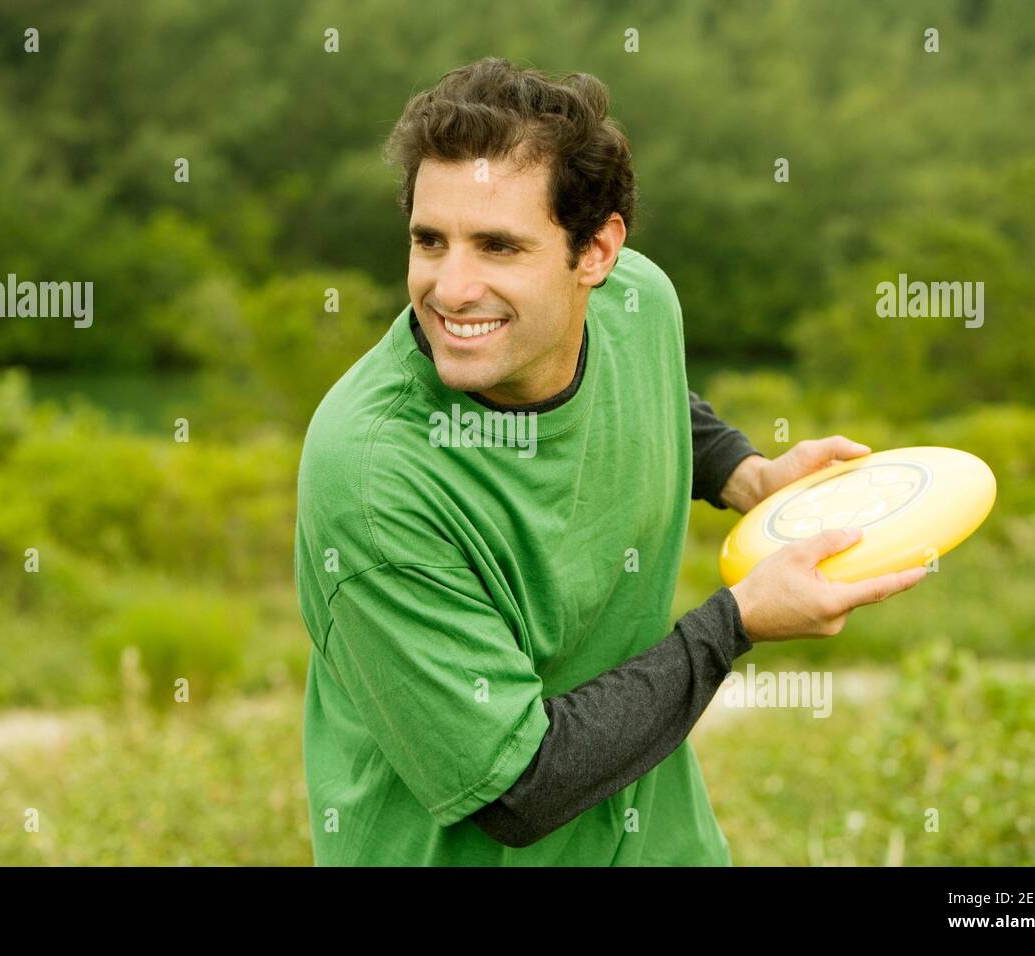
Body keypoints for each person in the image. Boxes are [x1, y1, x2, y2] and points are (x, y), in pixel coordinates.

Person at [294, 57, 926, 865]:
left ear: (596, 255)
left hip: (662, 844)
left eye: (497, 246)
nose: (451, 288)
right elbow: (517, 789)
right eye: (430, 240)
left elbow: (651, 388)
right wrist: (734, 625)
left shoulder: (638, 301)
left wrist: (747, 473)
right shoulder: (373, 479)